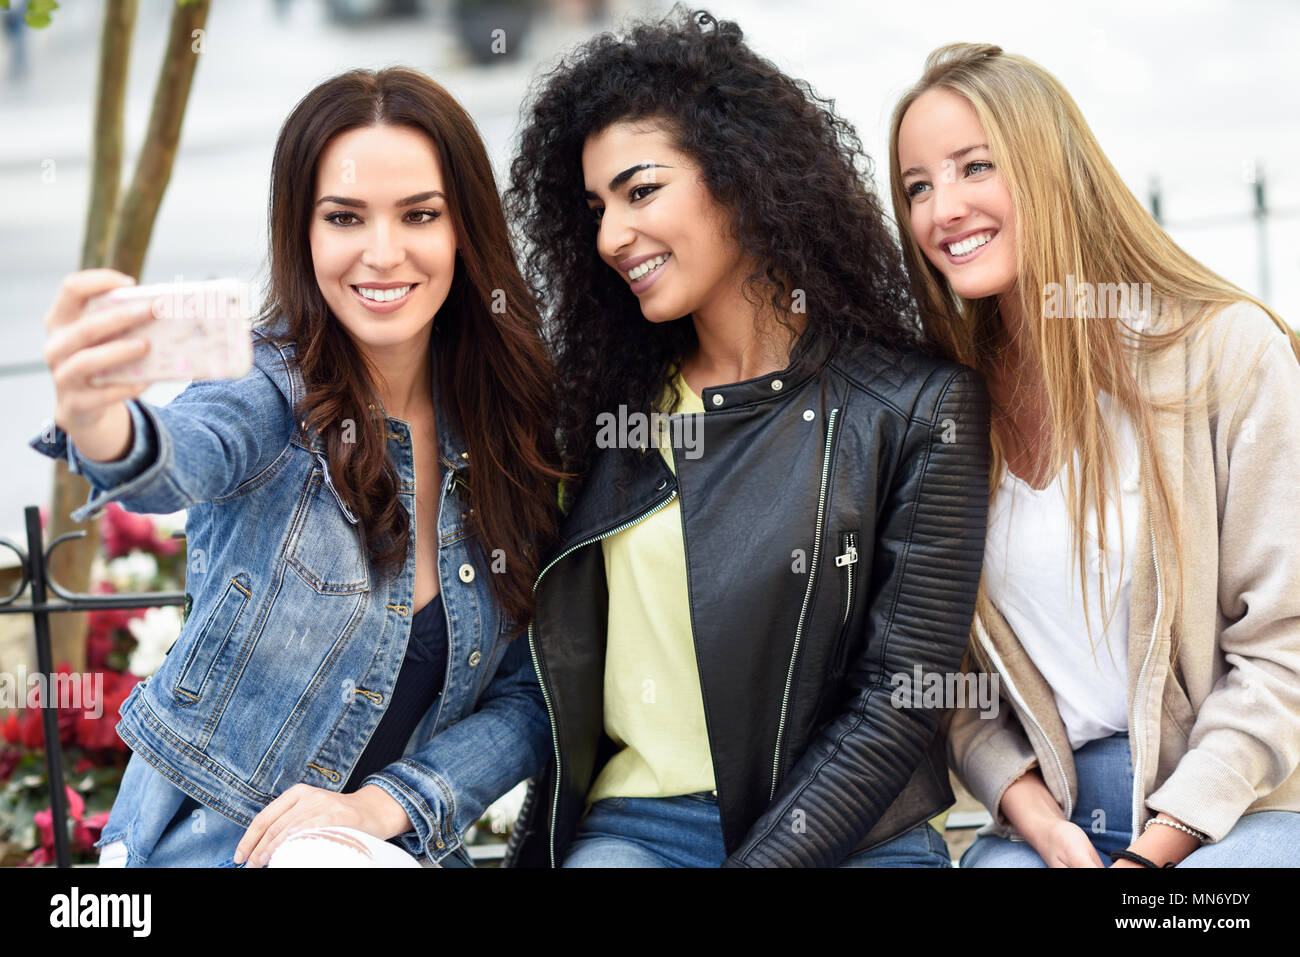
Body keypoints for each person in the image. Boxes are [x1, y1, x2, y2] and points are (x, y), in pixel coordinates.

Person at [31, 66, 562, 867]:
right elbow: (178, 458)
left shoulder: (510, 425)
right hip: (207, 850)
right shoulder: (268, 392)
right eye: (345, 217)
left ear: (464, 229)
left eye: (419, 214)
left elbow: (532, 694)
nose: (382, 254)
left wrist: (383, 804)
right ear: (303, 232)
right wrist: (101, 421)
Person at [500, 8, 990, 868]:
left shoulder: (914, 408)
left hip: (853, 835)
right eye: (595, 208)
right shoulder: (604, 411)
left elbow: (896, 700)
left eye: (641, 190)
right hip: (639, 831)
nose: (612, 236)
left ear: (738, 176)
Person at [890, 43, 1300, 868]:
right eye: (918, 187)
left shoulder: (1226, 352)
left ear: (1049, 165)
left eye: (976, 167)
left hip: (1238, 813)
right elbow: (961, 693)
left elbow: (1285, 646)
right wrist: (1039, 822)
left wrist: (1153, 852)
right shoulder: (942, 409)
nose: (943, 210)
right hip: (1052, 827)